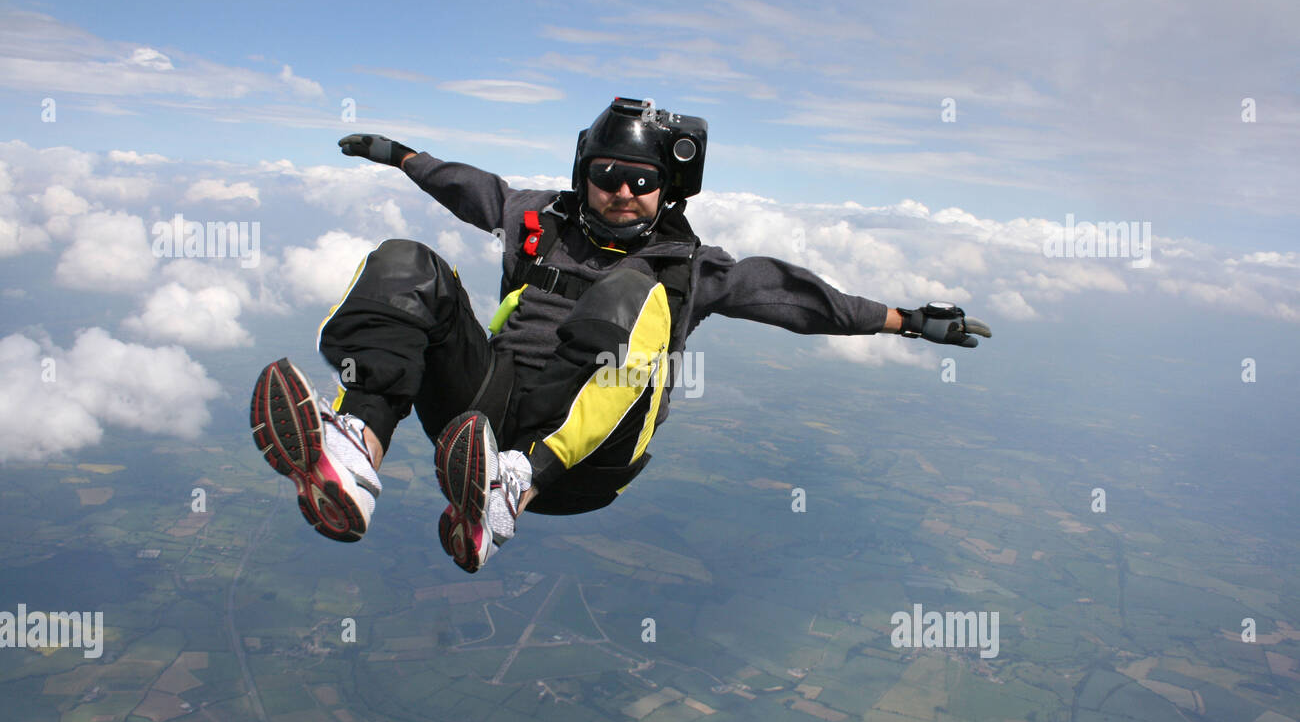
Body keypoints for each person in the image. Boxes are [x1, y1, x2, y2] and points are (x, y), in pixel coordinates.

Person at [250, 97, 991, 573]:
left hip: (580, 466)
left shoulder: (687, 267)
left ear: (668, 192)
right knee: (407, 264)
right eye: (609, 175)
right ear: (585, 171)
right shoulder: (538, 218)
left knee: (633, 295)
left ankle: (511, 490)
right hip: (476, 421)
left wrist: (909, 320)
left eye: (644, 182)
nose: (625, 192)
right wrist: (401, 156)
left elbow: (797, 298)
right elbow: (472, 188)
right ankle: (354, 452)